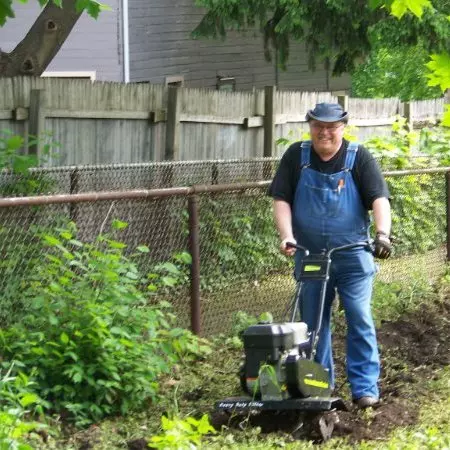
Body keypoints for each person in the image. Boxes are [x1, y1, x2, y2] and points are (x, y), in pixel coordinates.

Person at [269, 102, 392, 408]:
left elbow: (379, 198)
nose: (324, 132)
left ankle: (364, 389)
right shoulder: (296, 156)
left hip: (352, 255)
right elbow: (281, 199)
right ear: (310, 126)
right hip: (310, 255)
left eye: (331, 127)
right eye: (318, 126)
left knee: (359, 316)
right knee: (312, 324)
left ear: (342, 127)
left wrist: (382, 234)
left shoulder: (358, 157)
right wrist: (287, 236)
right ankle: (319, 386)